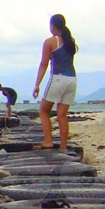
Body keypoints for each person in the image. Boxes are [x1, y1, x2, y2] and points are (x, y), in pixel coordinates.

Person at [33, 13, 78, 150]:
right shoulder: (70, 40)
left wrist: (37, 85)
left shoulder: (50, 41)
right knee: (62, 115)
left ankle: (48, 141)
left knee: (44, 111)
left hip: (58, 78)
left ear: (52, 26)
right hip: (72, 79)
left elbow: (43, 64)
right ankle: (63, 146)